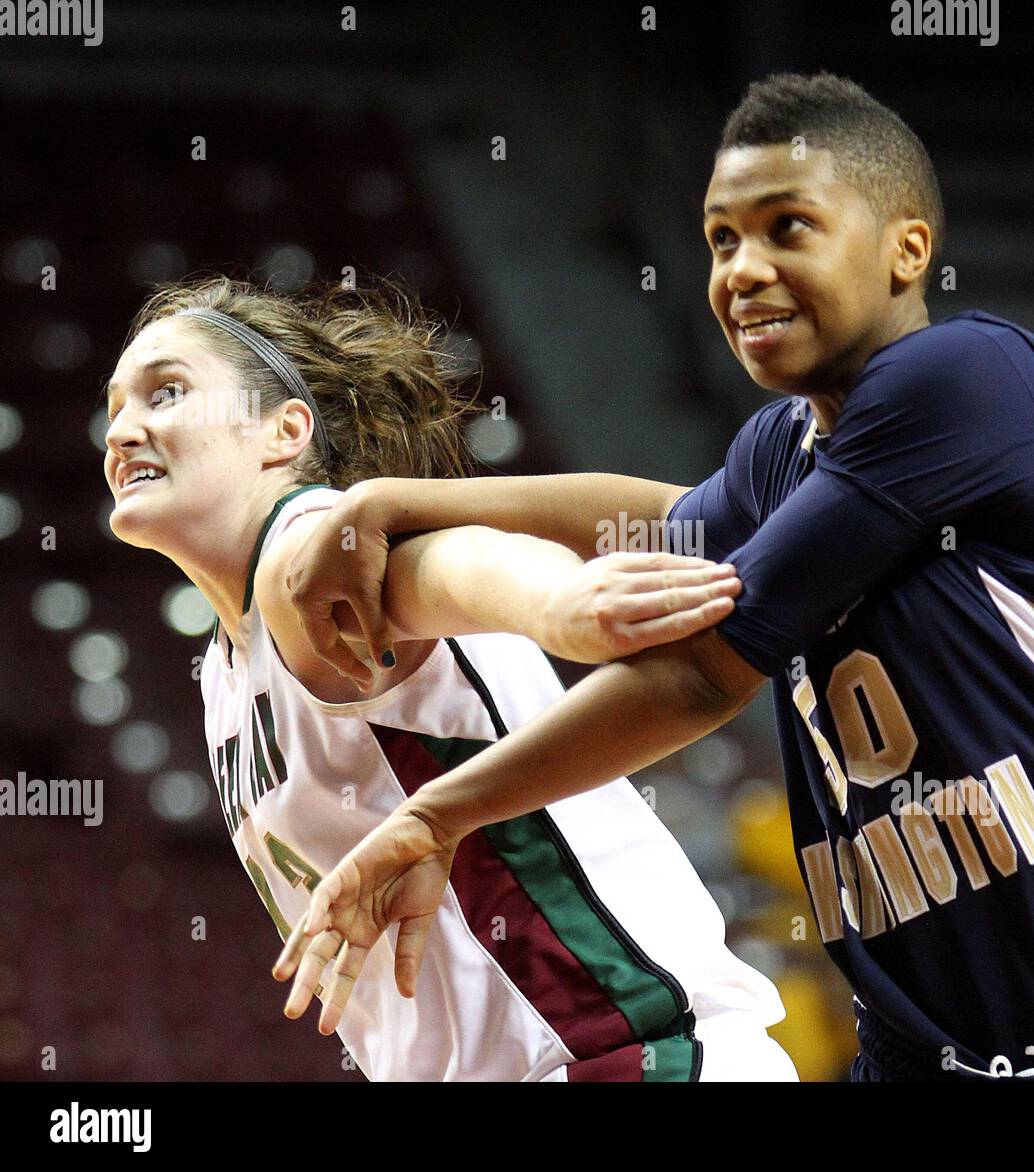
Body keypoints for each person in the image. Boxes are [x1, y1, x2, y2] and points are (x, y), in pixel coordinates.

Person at [274, 73, 1034, 1082]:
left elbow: (700, 672)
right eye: (722, 239)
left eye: (786, 228)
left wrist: (435, 813)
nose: (741, 269)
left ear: (908, 248)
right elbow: (658, 526)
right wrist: (395, 502)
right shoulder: (784, 455)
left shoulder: (971, 382)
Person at [102, 274, 797, 1082]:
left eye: (166, 393)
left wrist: (557, 601)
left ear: (283, 431)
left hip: (623, 1055)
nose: (123, 431)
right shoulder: (226, 672)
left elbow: (461, 566)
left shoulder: (305, 554)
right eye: (115, 408)